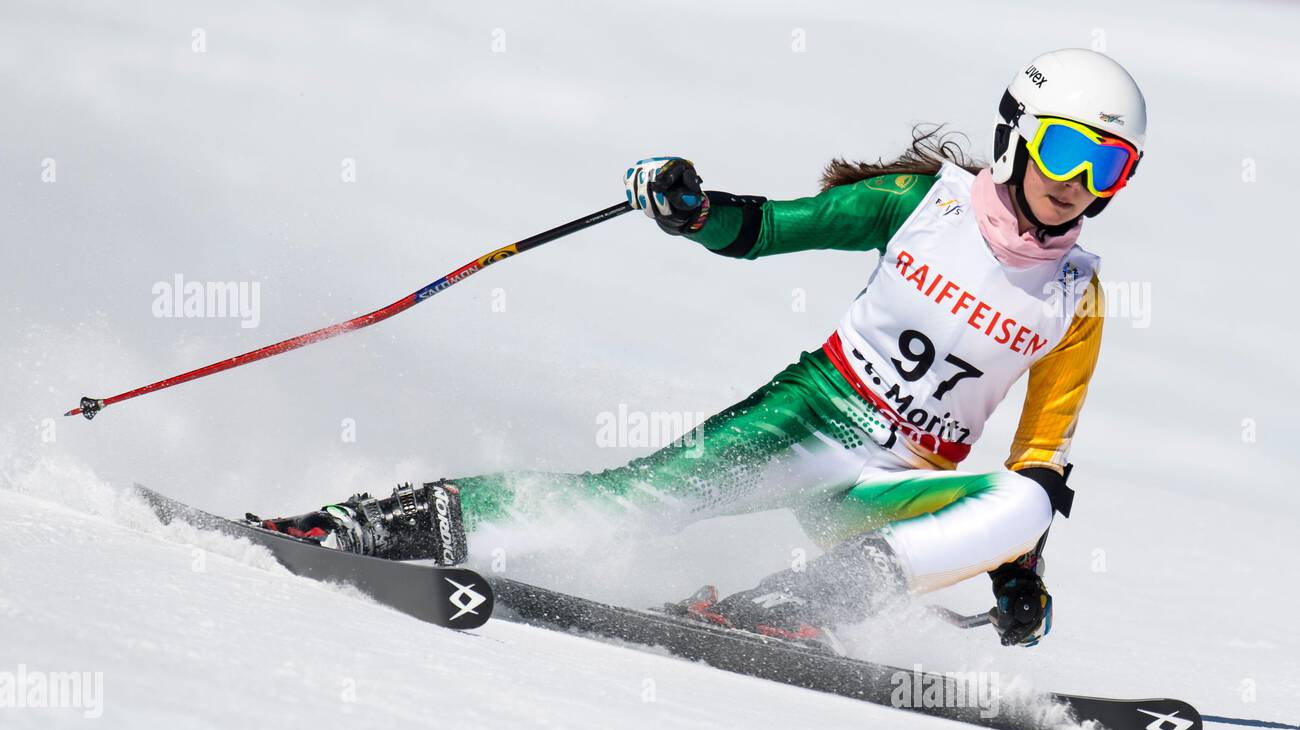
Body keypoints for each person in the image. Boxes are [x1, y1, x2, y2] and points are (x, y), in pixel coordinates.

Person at [260, 48, 1146, 649]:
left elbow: (1041, 454)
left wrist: (1015, 573)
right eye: (1067, 148)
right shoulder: (923, 204)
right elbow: (768, 227)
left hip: (885, 495)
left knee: (1030, 503)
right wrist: (693, 211)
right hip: (806, 423)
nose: (1076, 184)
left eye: (1107, 167)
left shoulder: (1077, 298)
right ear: (1019, 131)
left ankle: (787, 608)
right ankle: (372, 525)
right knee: (625, 508)